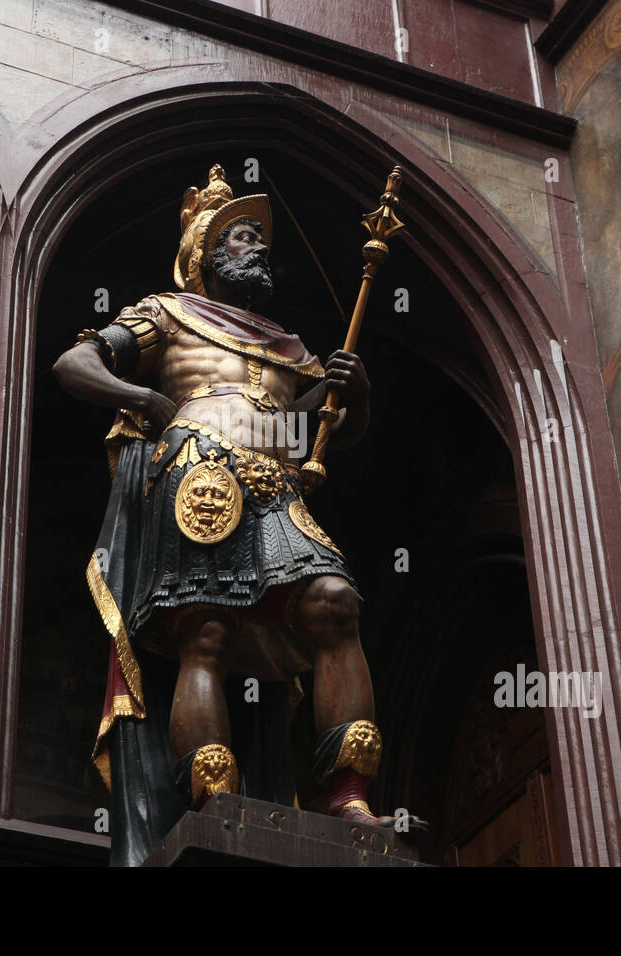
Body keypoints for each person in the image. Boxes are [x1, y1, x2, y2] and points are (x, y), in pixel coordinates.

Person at [54, 164, 407, 865]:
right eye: (241, 238)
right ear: (204, 256)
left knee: (334, 603)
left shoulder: (286, 345)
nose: (256, 248)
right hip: (200, 473)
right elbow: (73, 365)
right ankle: (213, 798)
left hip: (275, 483)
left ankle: (350, 794)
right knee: (206, 632)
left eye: (257, 240)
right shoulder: (166, 314)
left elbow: (303, 432)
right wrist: (150, 402)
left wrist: (350, 395)